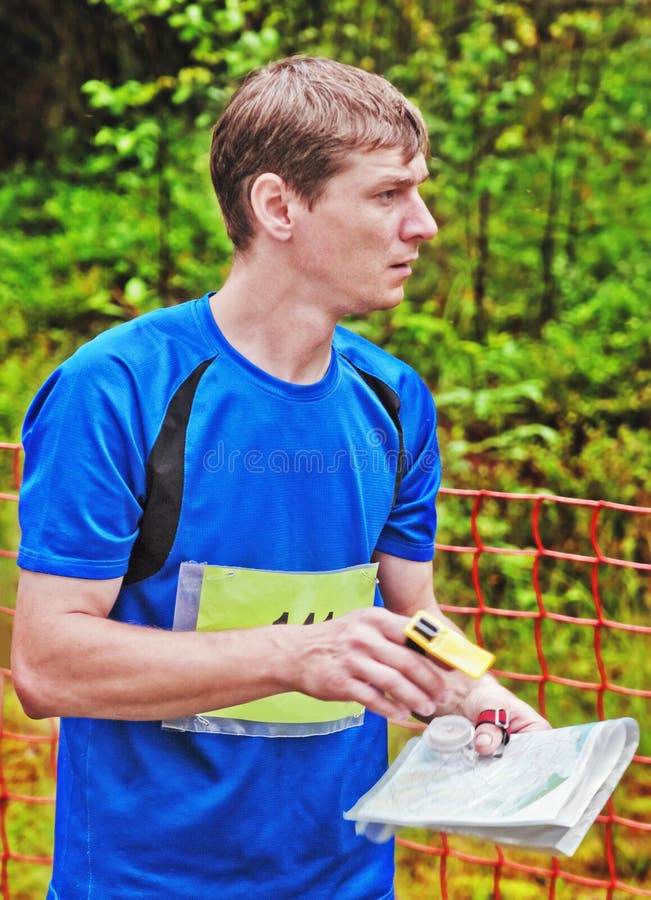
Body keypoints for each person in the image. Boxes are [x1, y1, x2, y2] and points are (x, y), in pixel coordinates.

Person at [12, 56, 549, 899]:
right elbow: (48, 667)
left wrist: (489, 702)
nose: (426, 224)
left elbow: (414, 613)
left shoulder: (395, 400)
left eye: (420, 190)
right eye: (387, 194)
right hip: (147, 882)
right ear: (277, 206)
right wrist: (297, 654)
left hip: (347, 878)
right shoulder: (116, 389)